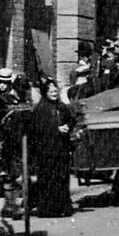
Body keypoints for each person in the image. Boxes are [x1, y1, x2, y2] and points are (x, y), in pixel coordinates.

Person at [29, 78, 73, 218]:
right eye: (51, 91)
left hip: (61, 148)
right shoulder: (41, 108)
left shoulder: (61, 106)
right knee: (48, 180)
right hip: (46, 150)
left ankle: (63, 207)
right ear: (45, 92)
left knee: (62, 177)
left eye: (55, 90)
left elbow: (70, 119)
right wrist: (56, 129)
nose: (54, 93)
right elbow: (38, 128)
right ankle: (49, 209)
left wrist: (67, 127)